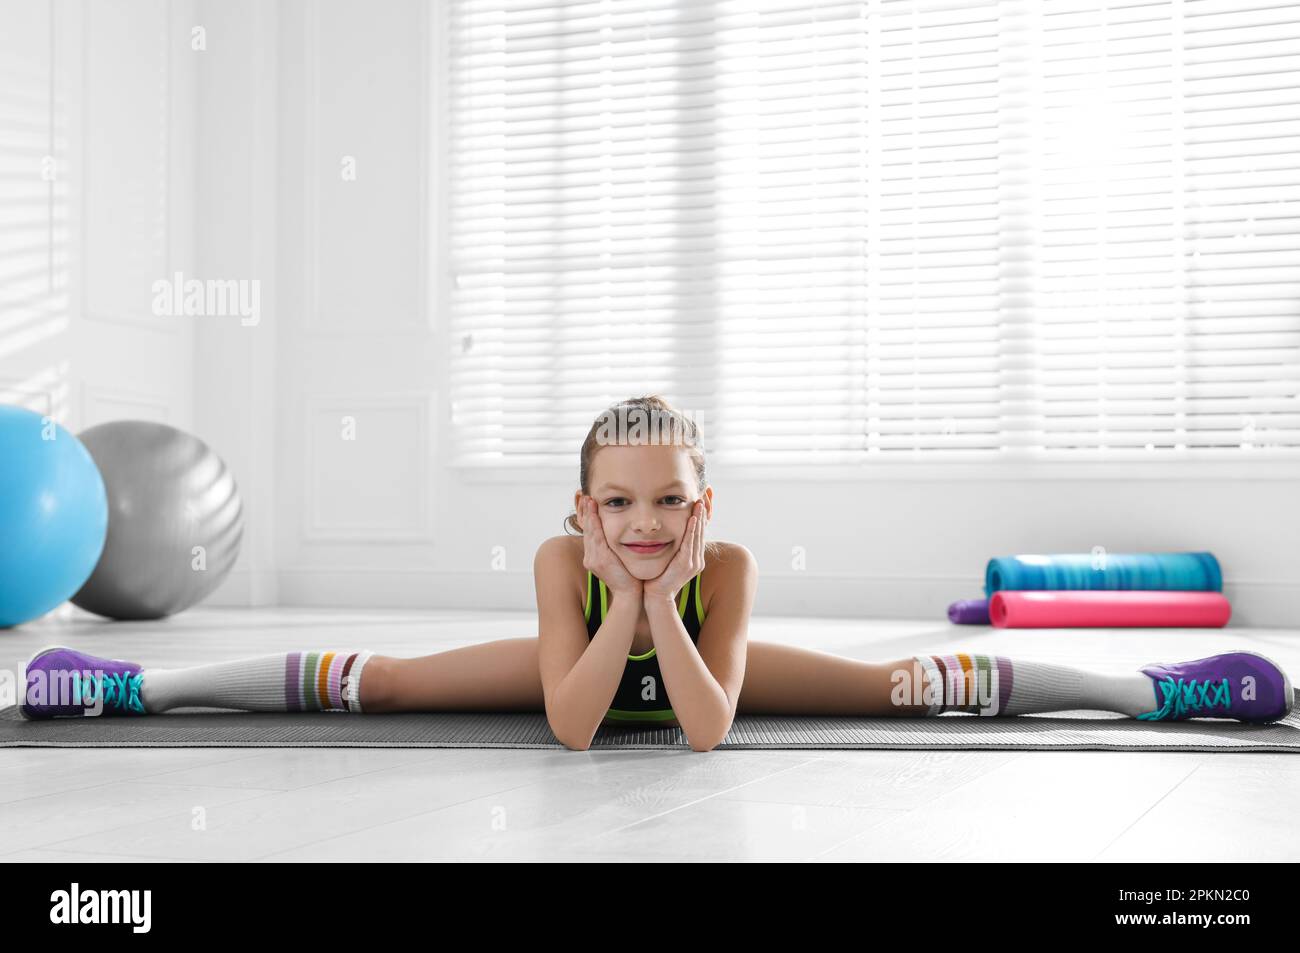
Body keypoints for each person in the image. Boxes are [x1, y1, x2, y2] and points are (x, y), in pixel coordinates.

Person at [19, 395, 1294, 752]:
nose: (643, 520)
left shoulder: (721, 565)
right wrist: (615, 598)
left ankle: (1154, 693)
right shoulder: (558, 557)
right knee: (392, 681)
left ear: (702, 507)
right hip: (578, 660)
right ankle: (133, 691)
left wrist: (659, 604)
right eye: (617, 503)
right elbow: (575, 725)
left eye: (667, 503)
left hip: (687, 666)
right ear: (582, 508)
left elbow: (701, 728)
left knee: (900, 681)